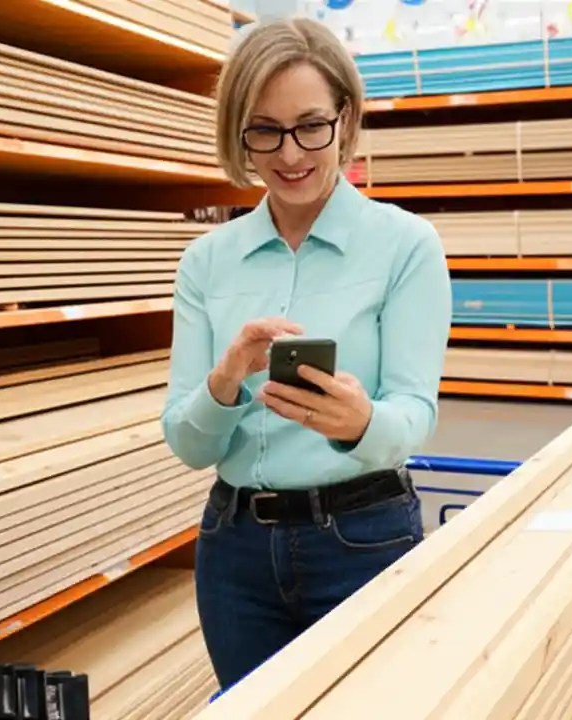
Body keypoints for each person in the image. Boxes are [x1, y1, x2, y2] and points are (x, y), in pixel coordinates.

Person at [159, 18, 452, 690]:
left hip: (363, 540)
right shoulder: (206, 262)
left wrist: (359, 422)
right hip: (234, 553)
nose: (290, 153)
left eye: (311, 125)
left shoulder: (407, 247)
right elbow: (188, 441)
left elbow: (415, 410)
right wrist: (226, 381)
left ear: (345, 119)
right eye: (265, 129)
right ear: (239, 132)